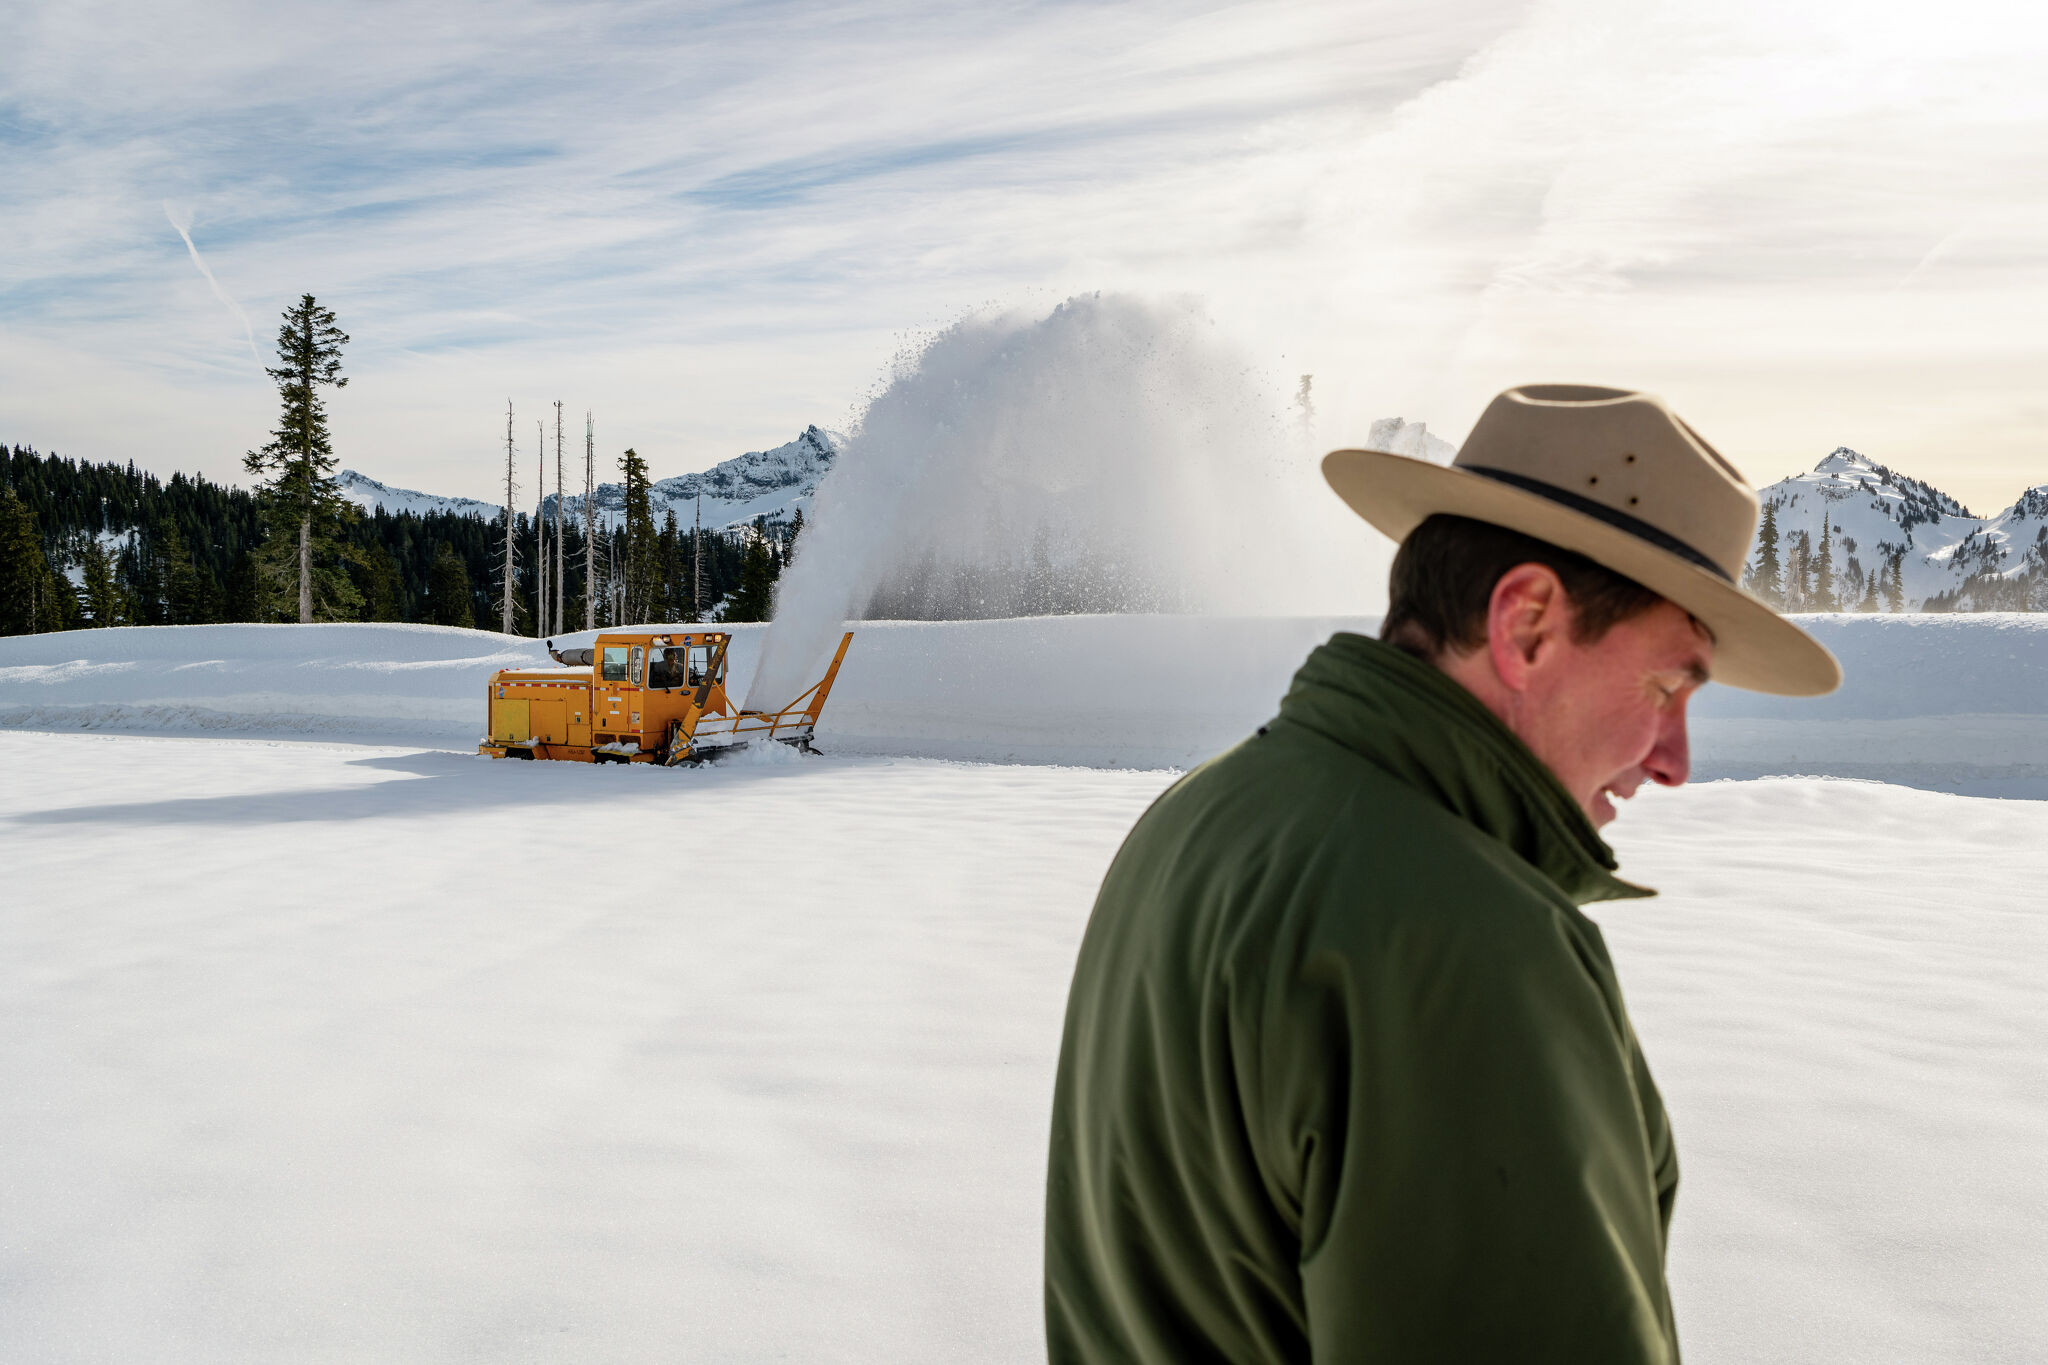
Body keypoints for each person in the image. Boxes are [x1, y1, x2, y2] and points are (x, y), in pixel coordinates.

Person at [1044, 384, 1840, 1364]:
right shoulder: (1461, 942)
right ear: (1527, 625)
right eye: (1667, 684)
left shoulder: (1206, 814)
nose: (1673, 757)